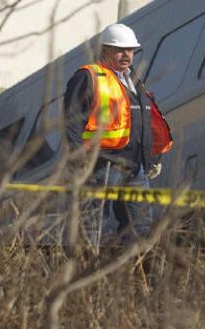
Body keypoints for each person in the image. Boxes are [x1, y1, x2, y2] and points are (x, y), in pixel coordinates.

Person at [64, 22, 173, 243]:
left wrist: (151, 158)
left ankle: (131, 274)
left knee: (141, 228)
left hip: (135, 167)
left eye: (130, 50)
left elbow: (143, 121)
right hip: (101, 165)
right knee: (91, 226)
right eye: (120, 49)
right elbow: (72, 121)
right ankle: (84, 273)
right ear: (105, 50)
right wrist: (78, 158)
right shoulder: (89, 77)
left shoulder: (133, 81)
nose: (126, 55)